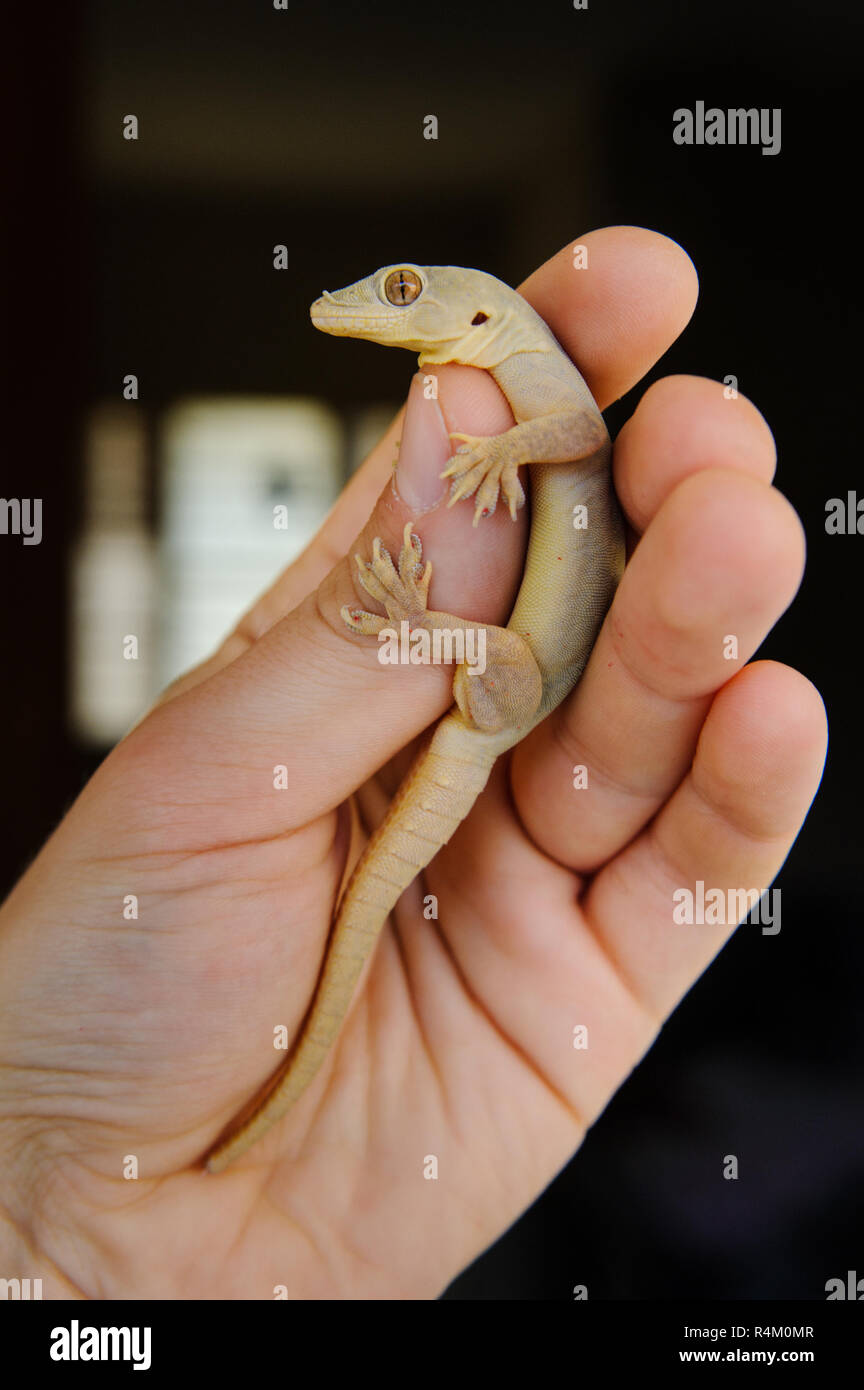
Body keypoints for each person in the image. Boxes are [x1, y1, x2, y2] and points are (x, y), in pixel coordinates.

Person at [0, 228, 826, 1299]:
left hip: (511, 690)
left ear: (481, 314)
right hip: (506, 693)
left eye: (397, 294)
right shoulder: (511, 377)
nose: (370, 305)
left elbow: (576, 431)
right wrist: (39, 1236)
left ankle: (412, 623)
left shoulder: (539, 381)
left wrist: (46, 1237)